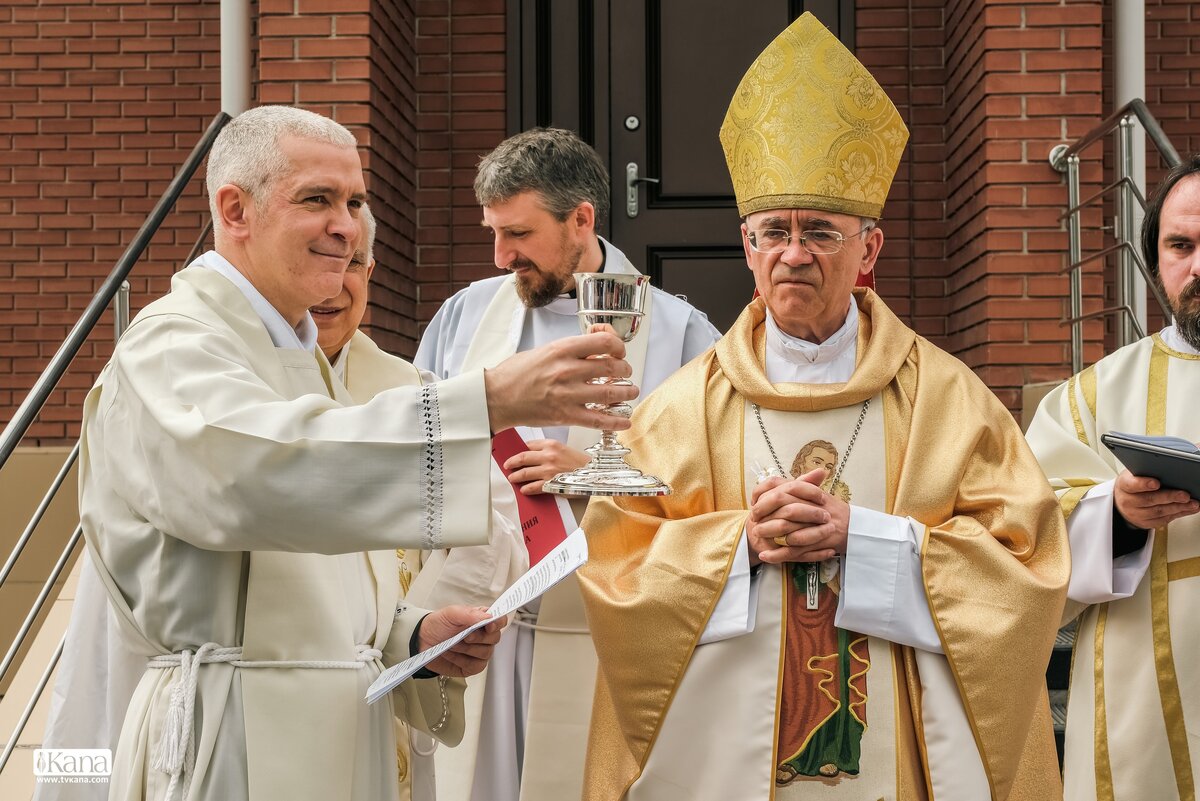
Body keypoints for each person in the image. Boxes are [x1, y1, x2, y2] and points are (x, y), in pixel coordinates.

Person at [78, 105, 635, 801]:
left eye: (355, 201)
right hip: (236, 742)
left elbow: (323, 576)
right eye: (318, 199)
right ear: (235, 208)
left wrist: (413, 636)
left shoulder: (304, 358)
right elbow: (258, 480)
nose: (346, 225)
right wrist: (482, 401)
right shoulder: (172, 345)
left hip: (352, 731)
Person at [577, 13, 1070, 800]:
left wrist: (865, 539)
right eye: (774, 230)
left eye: (821, 232)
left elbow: (1027, 569)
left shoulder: (949, 399)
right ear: (747, 245)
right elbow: (616, 568)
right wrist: (739, 543)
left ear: (869, 249)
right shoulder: (678, 410)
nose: (794, 252)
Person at [414, 127, 720, 801]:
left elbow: (719, 485)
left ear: (581, 218)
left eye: (518, 234)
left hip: (607, 638)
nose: (500, 256)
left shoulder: (679, 331)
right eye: (492, 232)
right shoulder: (462, 319)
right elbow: (413, 448)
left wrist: (597, 468)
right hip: (481, 630)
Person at [1026, 156, 1200, 801]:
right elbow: (1027, 534)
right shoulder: (1094, 398)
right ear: (1155, 262)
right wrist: (1117, 514)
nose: (1197, 268)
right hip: (1144, 700)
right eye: (1180, 246)